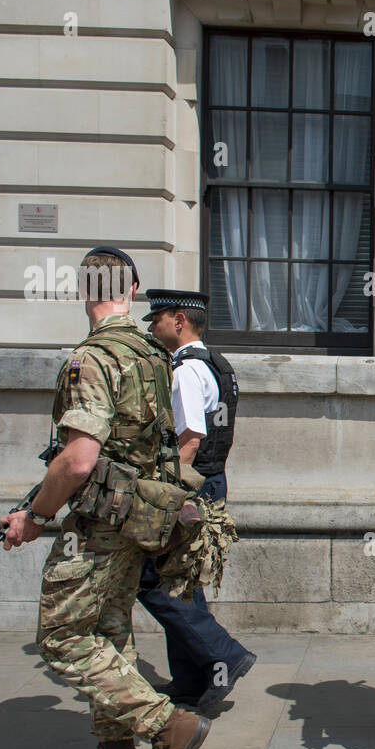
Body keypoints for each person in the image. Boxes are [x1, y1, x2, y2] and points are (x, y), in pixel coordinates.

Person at [0, 247, 211, 749]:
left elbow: (78, 459)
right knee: (110, 633)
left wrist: (36, 517)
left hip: (98, 523)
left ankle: (168, 724)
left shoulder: (89, 359)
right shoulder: (154, 354)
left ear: (83, 291)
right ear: (133, 290)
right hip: (137, 518)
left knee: (62, 637)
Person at [137, 289, 255, 709]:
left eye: (157, 319)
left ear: (179, 321)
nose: (151, 326)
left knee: (151, 579)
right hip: (212, 479)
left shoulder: (186, 369)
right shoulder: (218, 364)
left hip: (191, 484)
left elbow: (189, 439)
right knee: (181, 578)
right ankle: (191, 680)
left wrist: (165, 493)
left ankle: (225, 654)